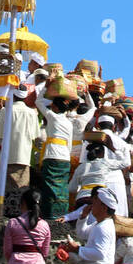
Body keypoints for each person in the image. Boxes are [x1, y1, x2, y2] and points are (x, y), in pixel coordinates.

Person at [36, 88, 76, 220]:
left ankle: (50, 214)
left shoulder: (53, 117)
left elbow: (38, 102)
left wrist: (46, 87)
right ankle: (61, 213)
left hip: (52, 154)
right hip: (64, 157)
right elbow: (69, 144)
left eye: (53, 106)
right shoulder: (69, 123)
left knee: (49, 186)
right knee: (62, 186)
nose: (51, 108)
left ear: (56, 108)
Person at [0, 85, 41, 195]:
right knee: (22, 191)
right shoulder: (32, 113)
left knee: (7, 192)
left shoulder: (5, 111)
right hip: (24, 157)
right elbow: (35, 136)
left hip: (7, 157)